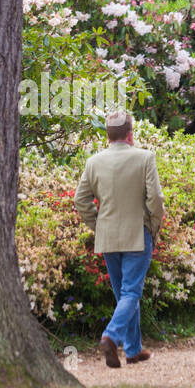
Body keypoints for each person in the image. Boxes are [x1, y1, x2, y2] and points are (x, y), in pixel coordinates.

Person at [73, 110, 165, 367]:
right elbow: (155, 199)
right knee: (131, 292)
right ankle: (111, 336)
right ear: (130, 134)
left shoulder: (94, 162)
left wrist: (98, 225)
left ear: (107, 134)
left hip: (108, 237)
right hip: (138, 233)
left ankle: (133, 350)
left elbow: (80, 200)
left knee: (124, 294)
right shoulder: (145, 157)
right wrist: (153, 225)